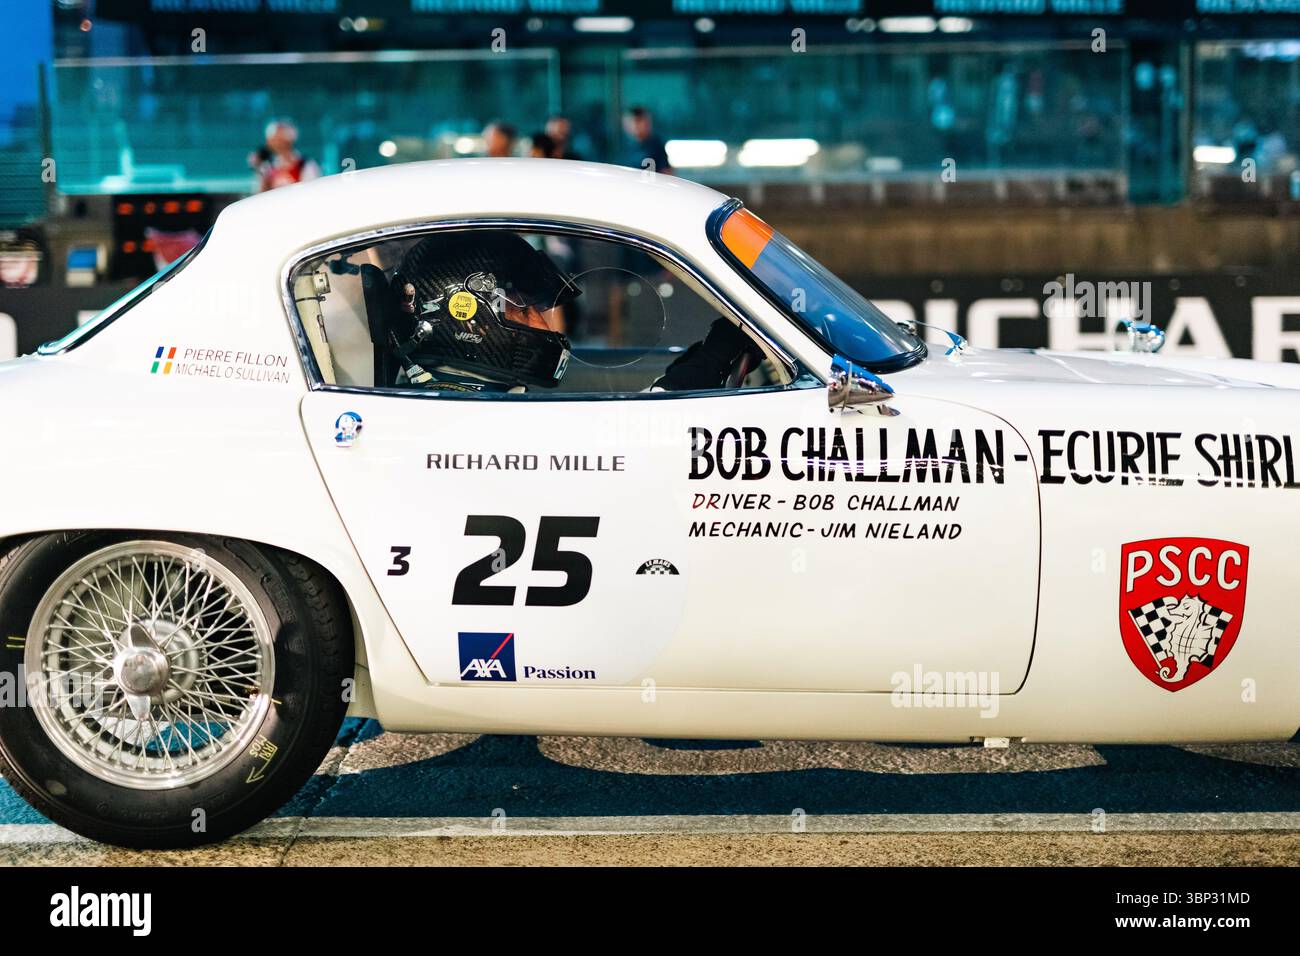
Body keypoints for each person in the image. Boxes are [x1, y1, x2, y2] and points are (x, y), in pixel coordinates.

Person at [378, 232, 761, 393]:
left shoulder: (473, 404)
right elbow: (620, 448)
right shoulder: (458, 420)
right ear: (468, 318)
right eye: (526, 309)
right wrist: (719, 352)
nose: (543, 325)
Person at [249, 120, 321, 191]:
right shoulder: (267, 167)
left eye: (279, 140)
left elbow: (311, 192)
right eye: (273, 140)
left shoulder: (306, 165)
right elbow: (260, 194)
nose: (276, 144)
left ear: (290, 141)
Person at [620, 106, 672, 175]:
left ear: (647, 123)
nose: (634, 125)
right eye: (630, 122)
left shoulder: (656, 146)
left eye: (638, 121)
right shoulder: (623, 147)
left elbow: (667, 173)